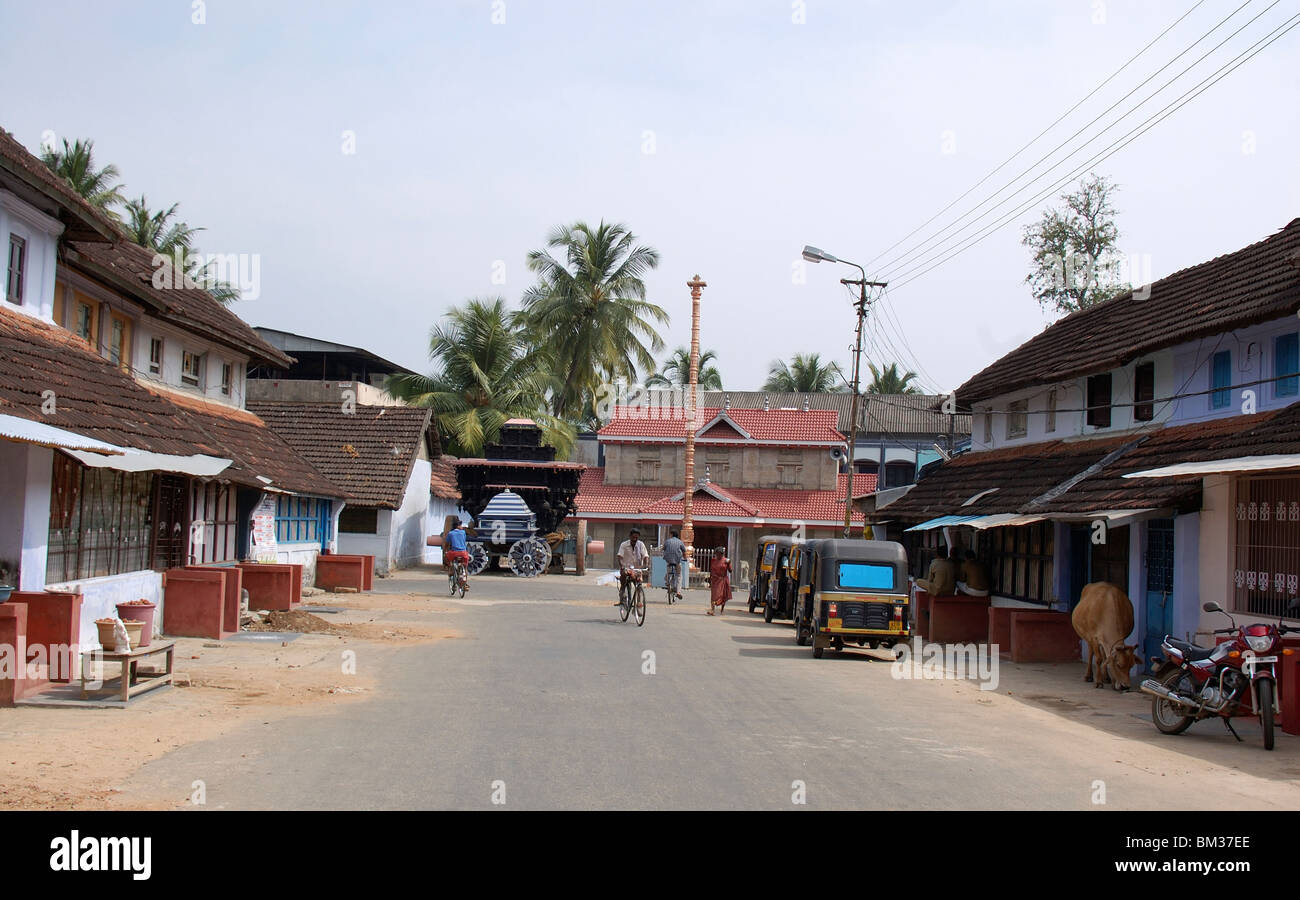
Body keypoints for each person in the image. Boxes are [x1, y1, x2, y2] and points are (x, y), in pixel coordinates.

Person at [616, 527, 650, 606]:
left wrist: (646, 564)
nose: (635, 539)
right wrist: (622, 566)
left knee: (638, 584)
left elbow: (645, 556)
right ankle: (622, 594)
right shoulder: (624, 545)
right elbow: (619, 557)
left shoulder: (641, 544)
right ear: (630, 536)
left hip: (637, 569)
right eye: (633, 537)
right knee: (623, 580)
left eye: (636, 538)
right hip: (626, 568)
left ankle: (638, 601)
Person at [661, 528, 686, 599]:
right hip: (677, 561)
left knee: (668, 571)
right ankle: (678, 592)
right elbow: (684, 552)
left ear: (671, 535)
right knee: (679, 576)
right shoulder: (680, 542)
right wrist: (685, 558)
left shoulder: (667, 541)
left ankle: (667, 582)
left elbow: (663, 549)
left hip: (668, 561)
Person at [708, 546, 732, 616]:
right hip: (715, 580)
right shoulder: (713, 560)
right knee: (713, 596)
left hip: (723, 580)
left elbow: (730, 571)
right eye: (716, 554)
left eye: (719, 554)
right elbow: (711, 570)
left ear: (722, 554)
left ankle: (722, 610)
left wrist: (729, 563)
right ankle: (712, 610)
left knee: (722, 595)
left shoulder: (726, 561)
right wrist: (710, 579)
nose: (717, 555)